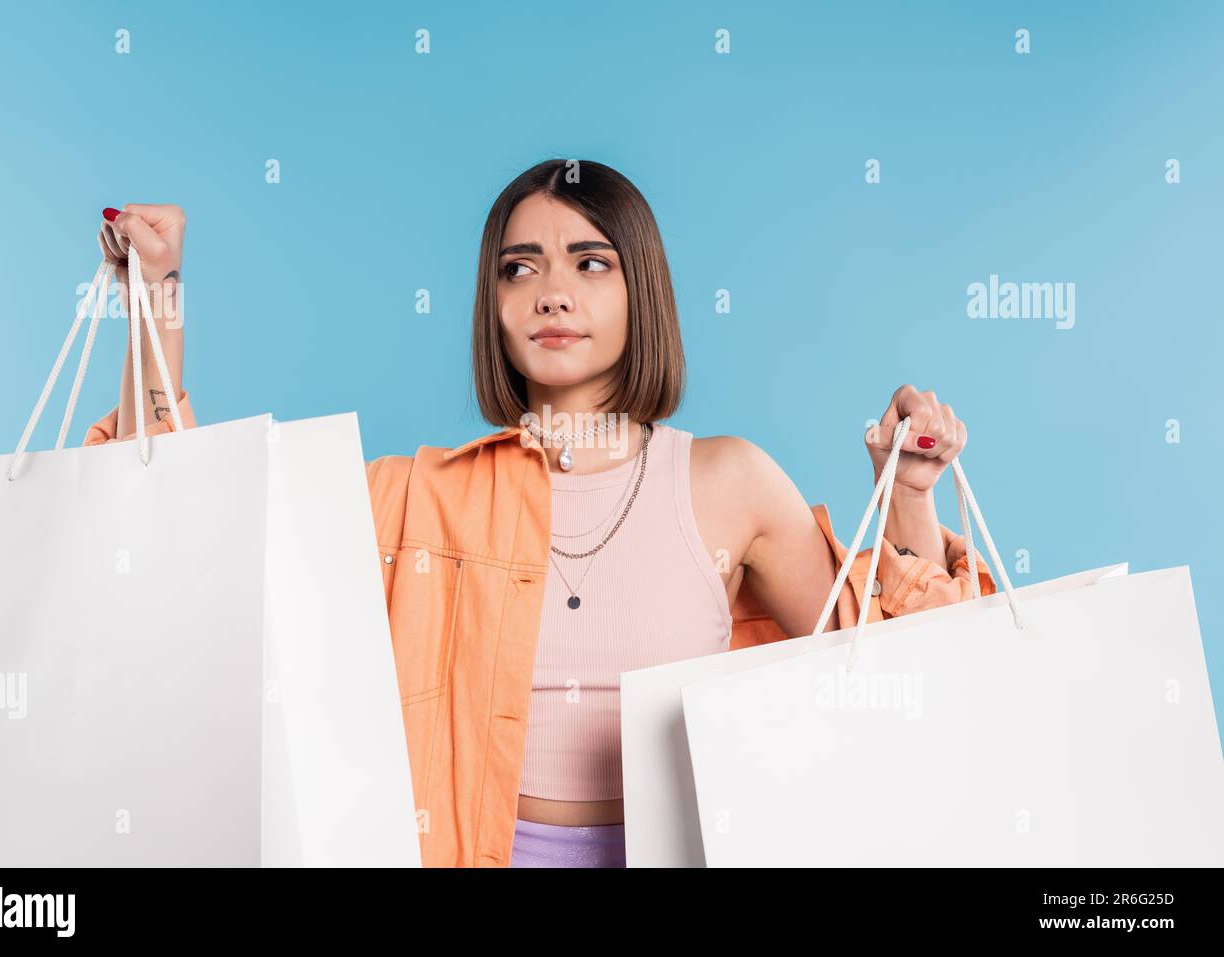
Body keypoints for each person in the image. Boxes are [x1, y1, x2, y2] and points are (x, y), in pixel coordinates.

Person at [85, 159, 994, 868]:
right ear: (496, 306)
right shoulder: (417, 494)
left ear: (643, 290)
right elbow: (195, 526)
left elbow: (898, 680)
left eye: (590, 262)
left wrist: (909, 495)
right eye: (521, 268)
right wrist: (153, 296)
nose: (552, 291)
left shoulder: (731, 481)